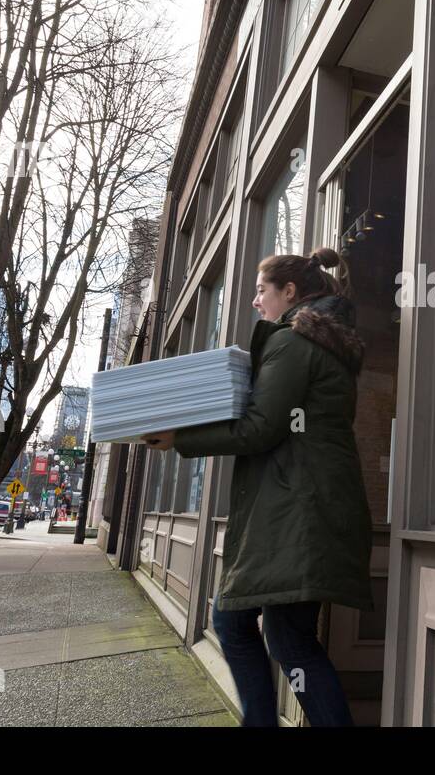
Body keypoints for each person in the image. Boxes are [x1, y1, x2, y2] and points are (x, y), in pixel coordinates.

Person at [144, 246, 373, 727]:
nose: (254, 302)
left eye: (260, 290)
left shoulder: (294, 342)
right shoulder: (323, 342)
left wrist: (179, 438)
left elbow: (261, 428)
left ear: (289, 292)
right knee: (262, 631)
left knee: (274, 637)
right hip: (302, 509)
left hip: (297, 512)